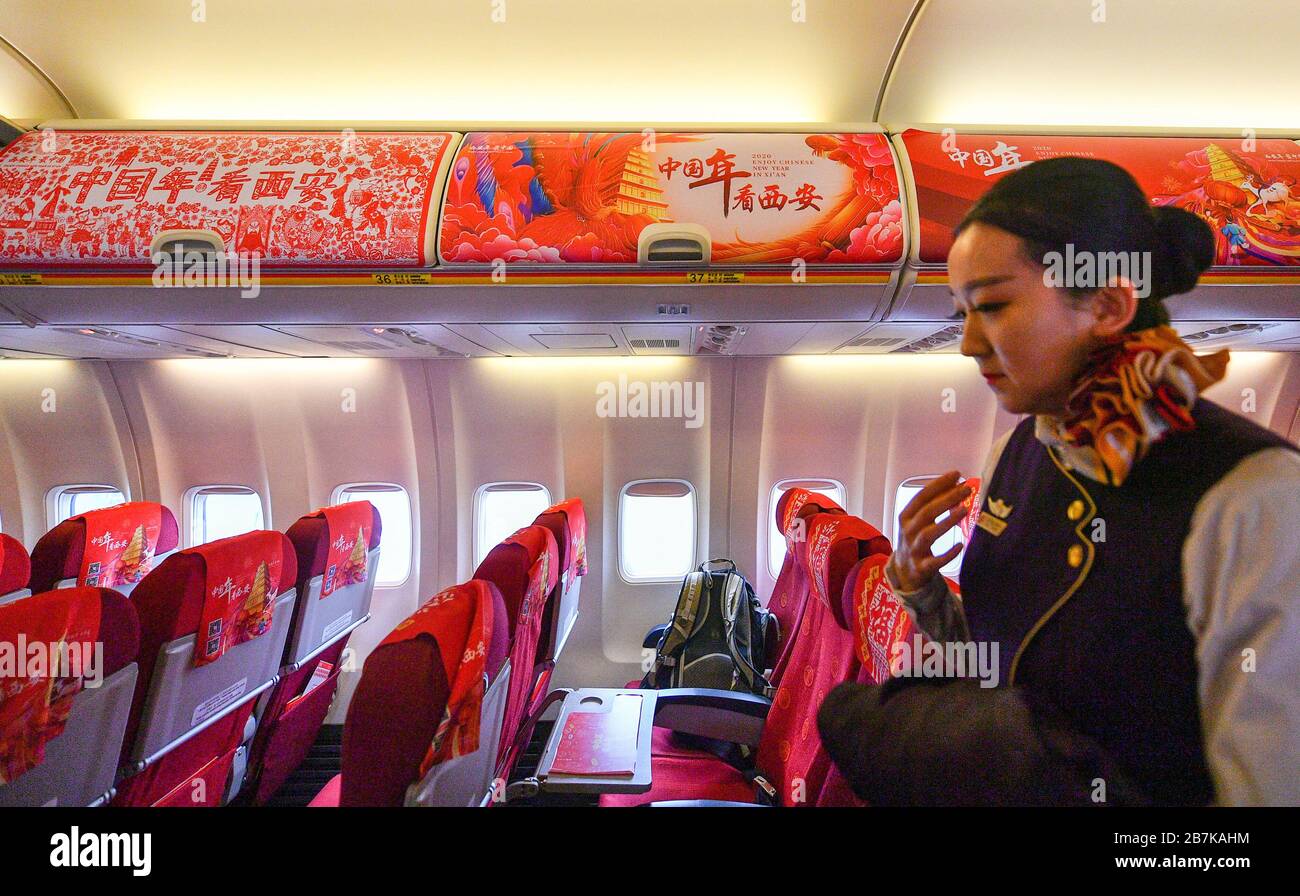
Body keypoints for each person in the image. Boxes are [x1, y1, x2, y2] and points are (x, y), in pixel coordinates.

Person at [818, 157, 1300, 806]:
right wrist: (921, 591)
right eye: (961, 310)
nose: (967, 343)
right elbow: (1009, 669)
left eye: (991, 306)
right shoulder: (1016, 453)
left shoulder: (1252, 499)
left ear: (1106, 303)